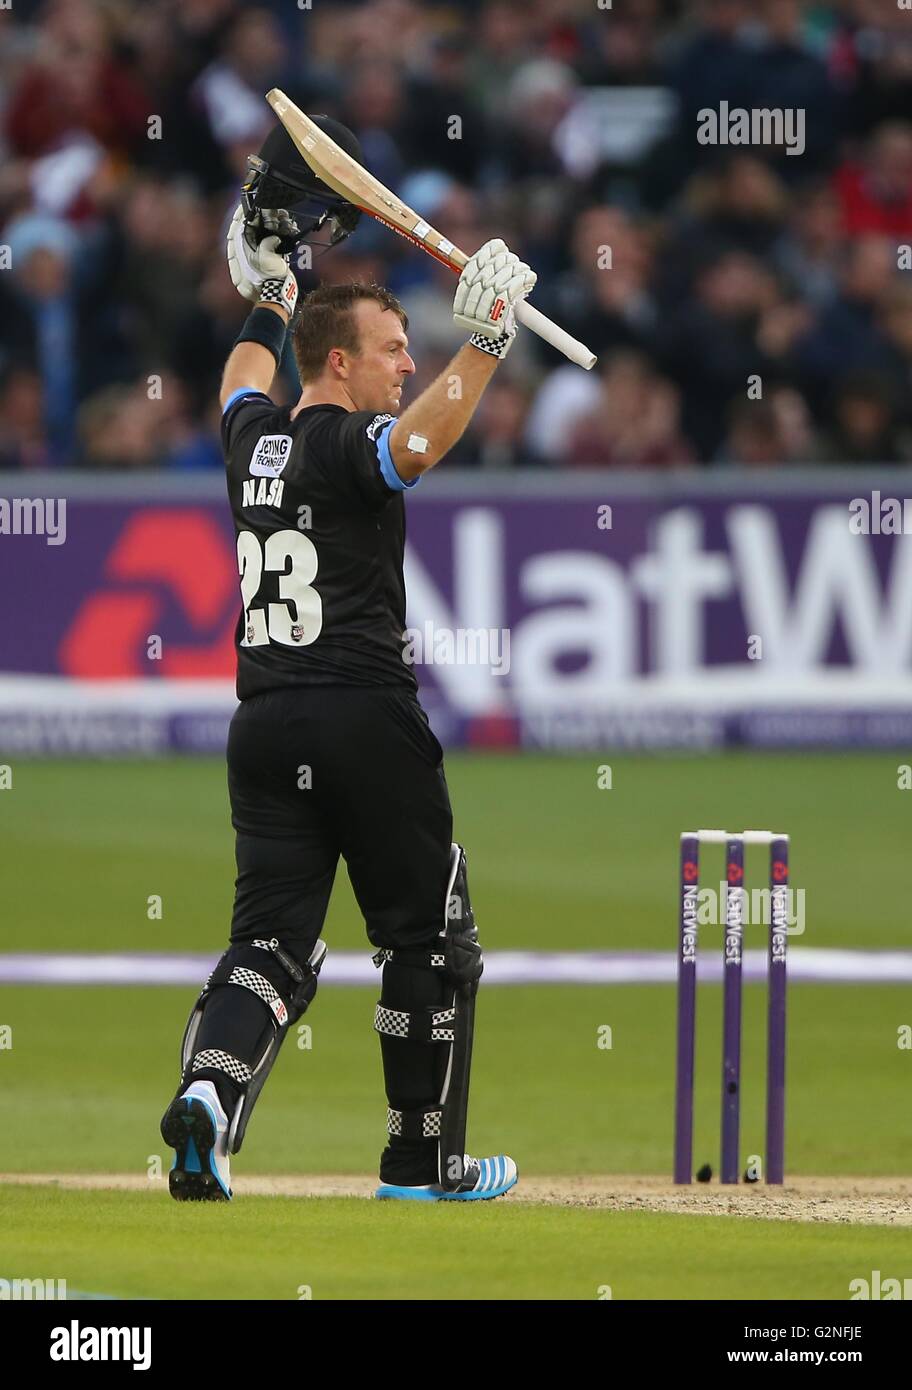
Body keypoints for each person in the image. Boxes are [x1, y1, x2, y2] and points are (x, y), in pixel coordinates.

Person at [158, 164, 535, 1203]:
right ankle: (423, 1166)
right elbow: (416, 447)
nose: (410, 363)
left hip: (266, 721)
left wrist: (275, 282)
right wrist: (491, 341)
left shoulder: (252, 441)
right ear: (338, 361)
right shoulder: (341, 440)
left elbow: (238, 377)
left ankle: (207, 1100)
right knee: (428, 935)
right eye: (393, 350)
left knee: (270, 944)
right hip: (365, 712)